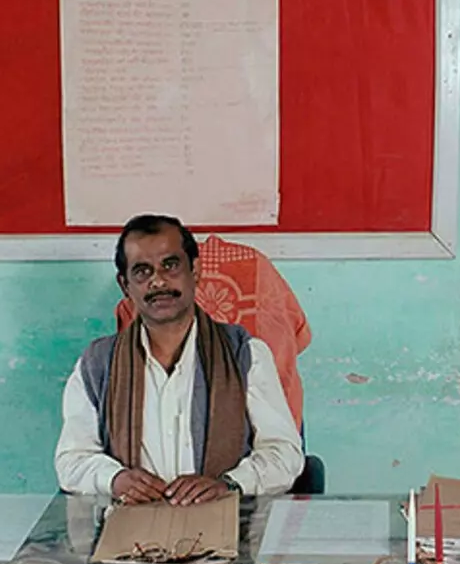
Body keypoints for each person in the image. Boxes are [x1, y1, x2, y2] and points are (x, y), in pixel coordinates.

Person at [55, 214, 304, 504]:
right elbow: (71, 461)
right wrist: (114, 479)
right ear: (125, 286)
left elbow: (285, 454)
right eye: (142, 272)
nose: (158, 281)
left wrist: (230, 484)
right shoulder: (97, 365)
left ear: (195, 271)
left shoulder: (245, 355)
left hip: (228, 529)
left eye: (170, 266)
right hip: (129, 533)